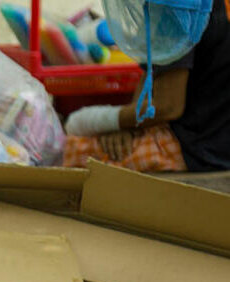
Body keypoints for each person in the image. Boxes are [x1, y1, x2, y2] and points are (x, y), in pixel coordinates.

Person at [63, 0, 230, 172]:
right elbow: (152, 71)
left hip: (202, 148)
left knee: (74, 151)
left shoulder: (177, 8)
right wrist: (128, 126)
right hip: (214, 137)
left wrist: (94, 121)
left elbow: (168, 107)